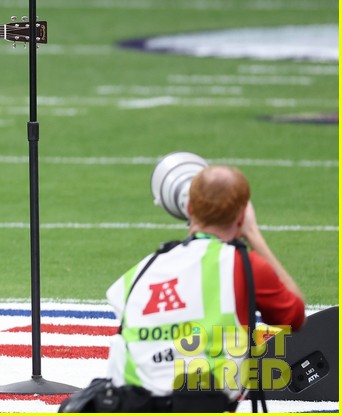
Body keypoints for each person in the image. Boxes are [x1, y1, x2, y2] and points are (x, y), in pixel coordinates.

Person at [84, 165, 305, 411]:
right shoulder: (242, 265)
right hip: (201, 404)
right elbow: (294, 316)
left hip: (126, 404)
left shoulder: (143, 269)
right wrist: (253, 235)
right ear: (241, 217)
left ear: (189, 209)